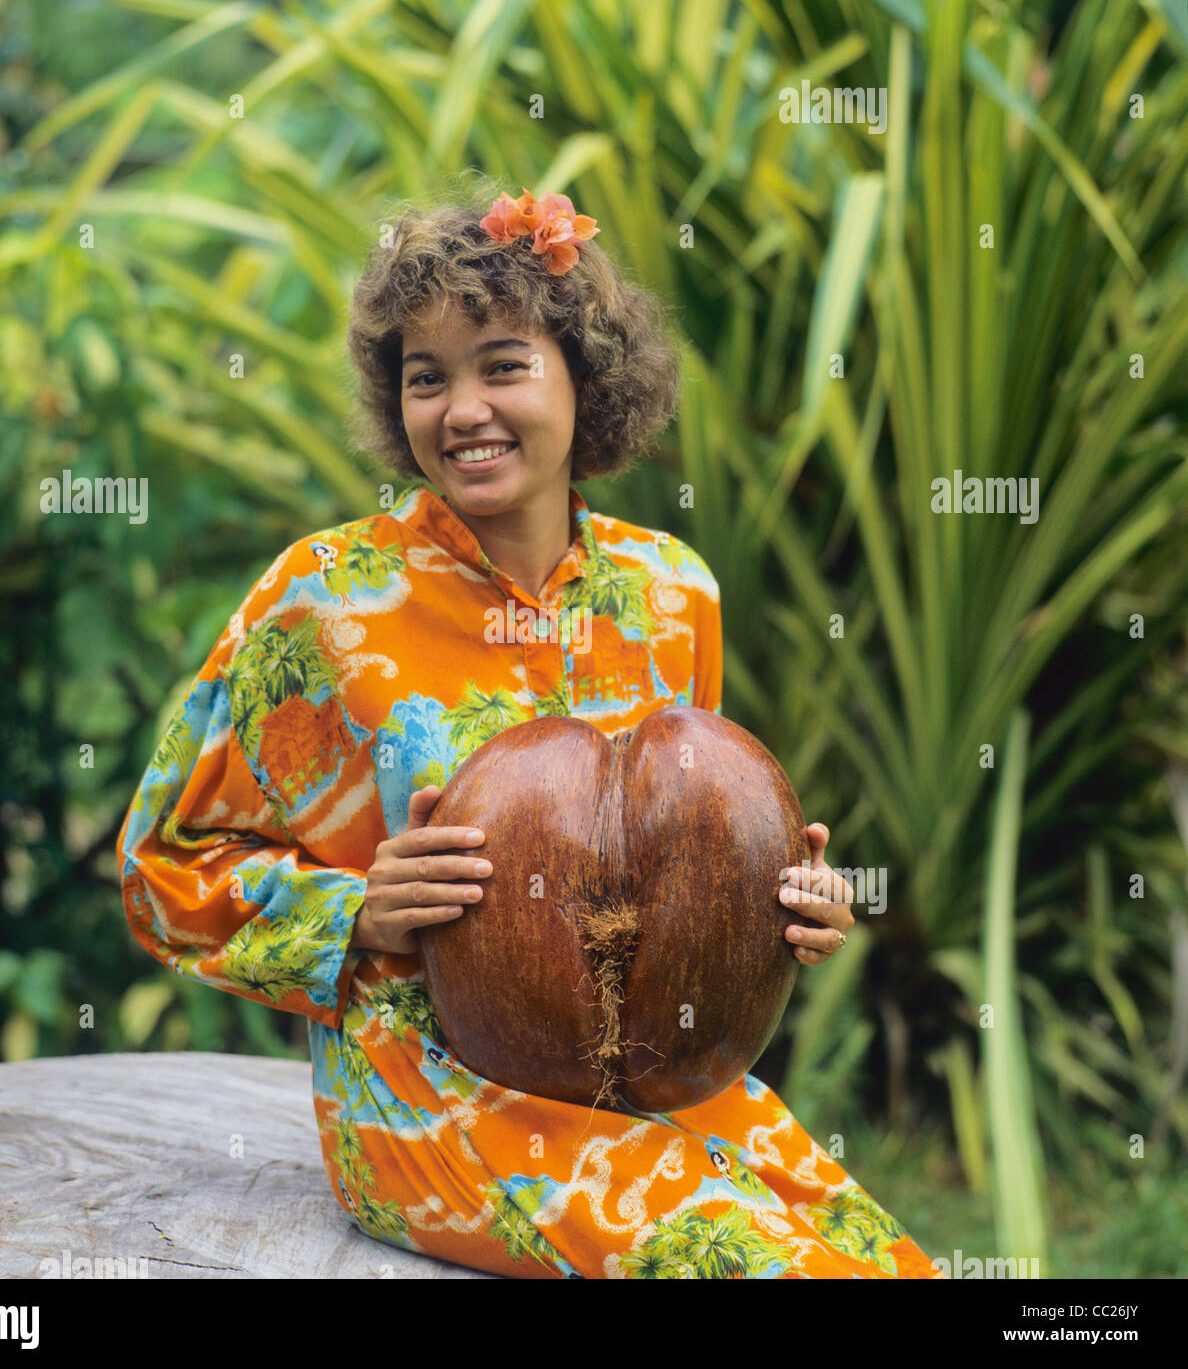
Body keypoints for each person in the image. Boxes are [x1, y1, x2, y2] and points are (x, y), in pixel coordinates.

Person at [116, 184, 944, 1279]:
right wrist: (354, 910)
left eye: (501, 364)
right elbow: (156, 869)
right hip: (428, 1089)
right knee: (751, 1265)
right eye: (426, 377)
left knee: (878, 1261)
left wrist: (773, 905)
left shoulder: (669, 593)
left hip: (654, 1081)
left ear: (585, 378)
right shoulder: (325, 601)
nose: (461, 409)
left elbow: (676, 868)